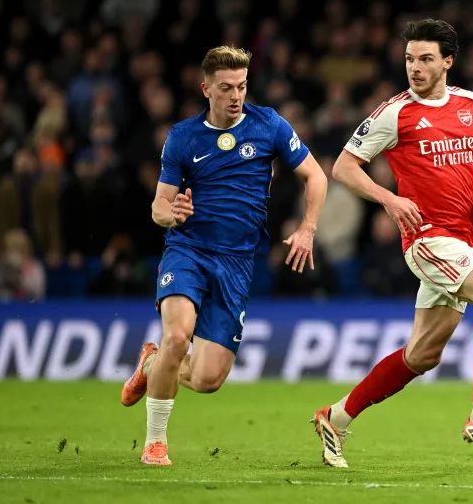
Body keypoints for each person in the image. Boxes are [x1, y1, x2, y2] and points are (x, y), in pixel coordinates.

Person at [311, 19, 473, 468]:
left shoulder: (471, 104)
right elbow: (343, 167)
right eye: (410, 59)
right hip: (428, 241)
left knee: (423, 355)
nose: (415, 67)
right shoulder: (394, 113)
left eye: (425, 59)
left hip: (463, 240)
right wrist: (390, 200)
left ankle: (336, 417)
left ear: (448, 62)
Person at [121, 46, 327, 466]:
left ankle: (152, 364)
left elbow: (315, 175)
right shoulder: (183, 136)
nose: (236, 96)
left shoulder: (268, 124)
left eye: (242, 86)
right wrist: (172, 213)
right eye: (226, 88)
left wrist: (307, 228)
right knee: (178, 336)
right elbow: (159, 206)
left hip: (236, 263)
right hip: (188, 250)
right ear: (206, 89)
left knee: (207, 378)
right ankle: (155, 442)